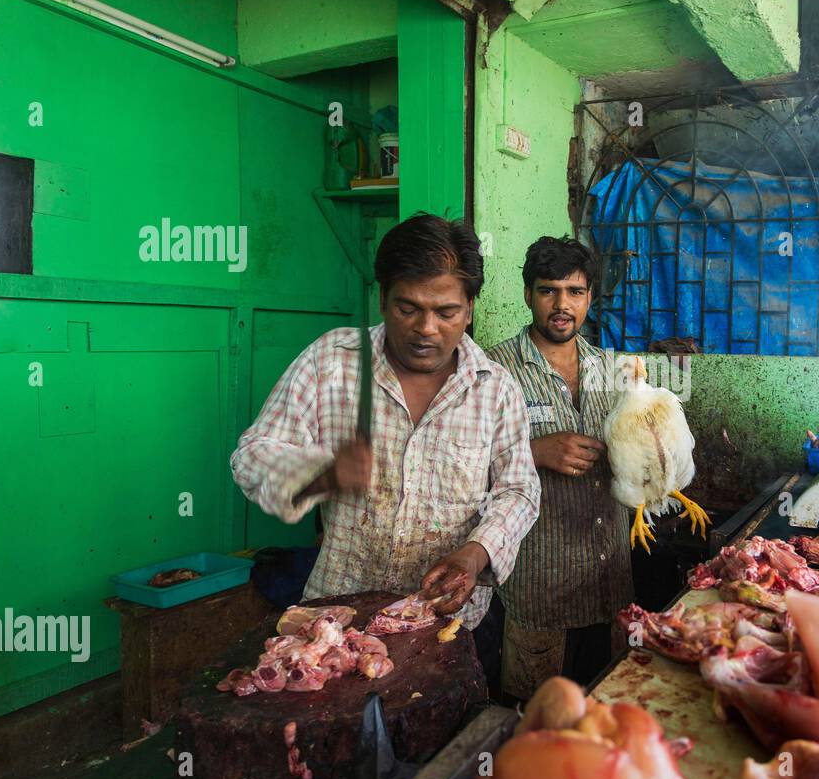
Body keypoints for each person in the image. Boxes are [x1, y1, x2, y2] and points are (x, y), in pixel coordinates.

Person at [231, 214, 541, 628]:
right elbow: (251, 457)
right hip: (336, 615)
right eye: (407, 308)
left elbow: (519, 491)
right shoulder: (332, 362)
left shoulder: (496, 390)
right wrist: (319, 472)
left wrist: (475, 552)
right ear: (382, 300)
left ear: (469, 310)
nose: (426, 329)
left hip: (444, 619)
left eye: (446, 312)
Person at [485, 236, 635, 700]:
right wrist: (533, 452)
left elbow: (633, 455)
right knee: (533, 720)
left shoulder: (610, 368)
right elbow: (459, 461)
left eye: (575, 291)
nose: (561, 305)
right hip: (538, 586)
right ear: (528, 293)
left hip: (609, 581)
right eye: (548, 290)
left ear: (590, 297)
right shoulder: (494, 368)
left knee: (605, 711)